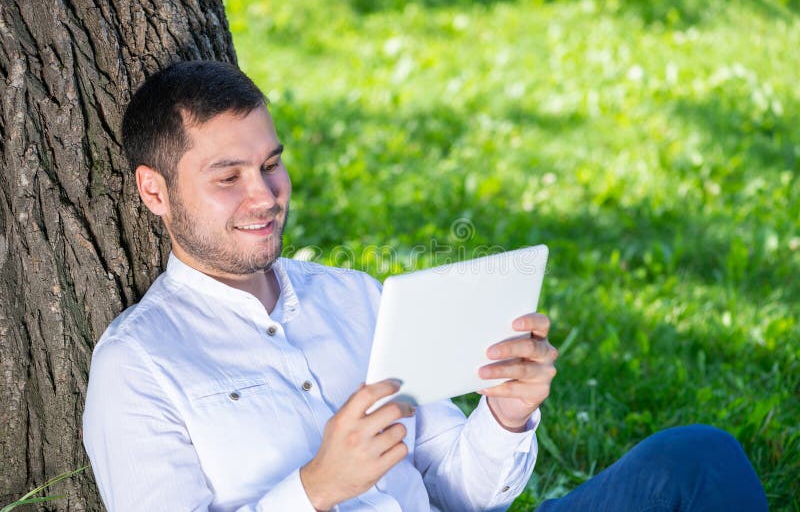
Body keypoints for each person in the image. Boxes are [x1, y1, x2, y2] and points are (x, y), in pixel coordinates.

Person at [82, 61, 768, 512]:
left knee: (699, 458)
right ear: (155, 191)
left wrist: (505, 414)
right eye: (228, 177)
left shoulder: (354, 298)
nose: (265, 196)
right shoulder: (139, 365)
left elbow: (464, 489)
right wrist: (317, 488)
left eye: (271, 165)